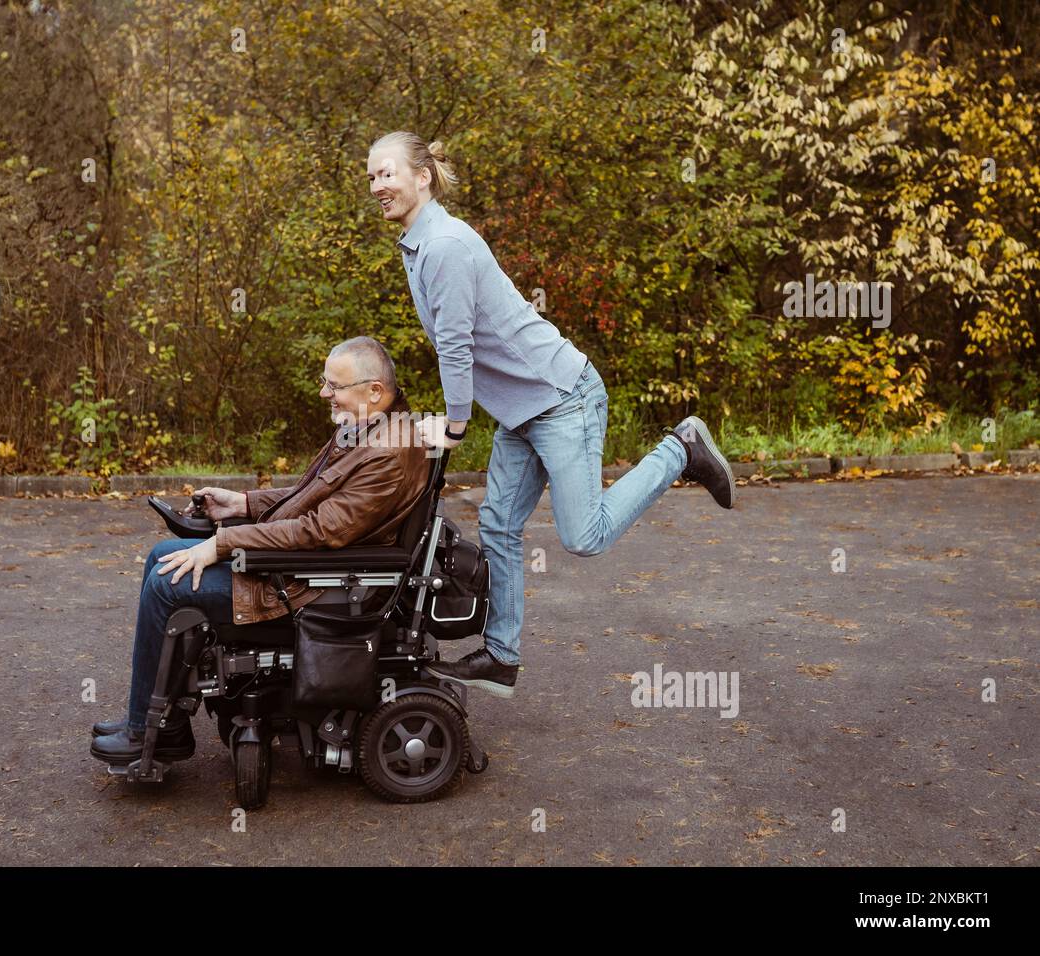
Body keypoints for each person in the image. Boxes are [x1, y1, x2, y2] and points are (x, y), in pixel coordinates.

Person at [365, 130, 735, 700]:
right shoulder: (420, 243)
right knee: (498, 526)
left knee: (584, 536)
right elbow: (455, 342)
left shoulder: (445, 245)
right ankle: (501, 656)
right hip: (523, 411)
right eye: (371, 177)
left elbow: (457, 345)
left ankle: (681, 448)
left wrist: (456, 424)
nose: (378, 185)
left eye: (387, 173)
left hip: (563, 397)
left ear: (422, 177)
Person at [90, 336, 430, 764]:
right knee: (162, 554)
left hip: (320, 585)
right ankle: (161, 722)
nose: (324, 393)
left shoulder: (389, 453)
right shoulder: (373, 429)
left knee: (166, 582)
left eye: (335, 385)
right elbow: (311, 494)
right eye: (325, 382)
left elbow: (320, 531)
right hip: (310, 569)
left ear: (374, 391)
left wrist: (224, 542)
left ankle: (148, 732)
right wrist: (243, 503)